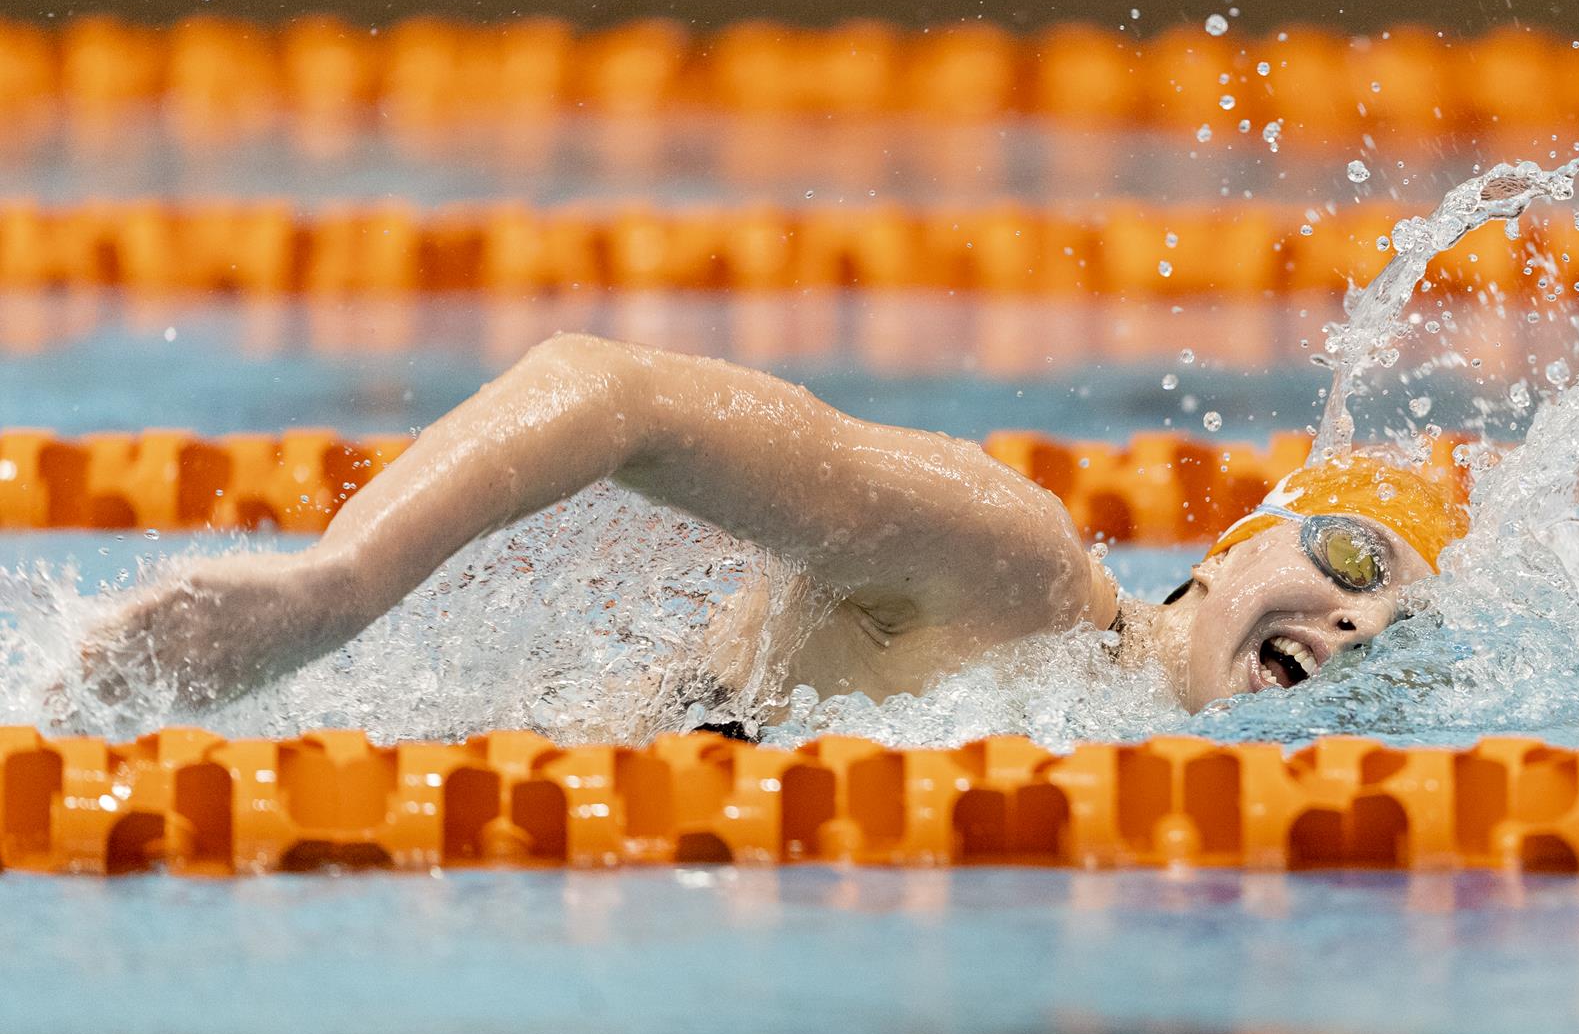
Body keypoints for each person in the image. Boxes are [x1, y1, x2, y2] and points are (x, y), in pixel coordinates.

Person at [80, 333, 1470, 731]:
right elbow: (612, 390)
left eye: (1396, 632)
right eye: (1359, 559)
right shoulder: (1017, 566)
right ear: (1231, 548)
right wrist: (336, 590)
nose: (1360, 621)